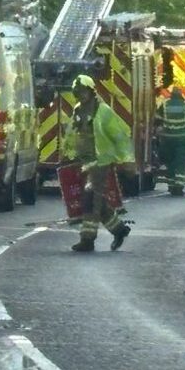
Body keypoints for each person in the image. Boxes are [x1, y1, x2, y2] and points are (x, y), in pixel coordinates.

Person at [68, 74, 133, 252]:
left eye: (83, 91)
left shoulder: (103, 111)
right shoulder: (77, 110)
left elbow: (119, 136)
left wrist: (127, 160)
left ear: (91, 91)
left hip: (100, 162)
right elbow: (72, 134)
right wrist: (68, 154)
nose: (81, 95)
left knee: (90, 198)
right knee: (98, 200)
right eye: (77, 92)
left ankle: (87, 239)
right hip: (83, 162)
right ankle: (119, 230)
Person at [156, 87, 185, 196]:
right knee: (180, 161)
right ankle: (179, 184)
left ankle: (172, 183)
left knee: (170, 161)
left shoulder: (165, 105)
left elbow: (157, 119)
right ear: (181, 95)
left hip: (168, 138)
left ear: (171, 95)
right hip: (182, 138)